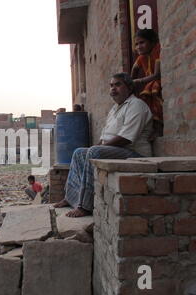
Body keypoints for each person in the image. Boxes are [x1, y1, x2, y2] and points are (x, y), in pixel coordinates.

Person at [54, 73, 153, 217]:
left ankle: (85, 206)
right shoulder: (114, 109)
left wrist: (98, 149)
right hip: (116, 150)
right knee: (79, 152)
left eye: (118, 85)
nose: (113, 89)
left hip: (134, 153)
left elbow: (126, 138)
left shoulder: (136, 105)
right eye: (111, 85)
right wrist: (95, 148)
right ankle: (71, 198)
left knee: (93, 152)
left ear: (129, 87)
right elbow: (103, 138)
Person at [131, 28, 163, 139]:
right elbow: (134, 70)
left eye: (142, 42)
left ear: (152, 42)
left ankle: (158, 129)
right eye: (136, 44)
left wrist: (138, 81)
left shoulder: (157, 50)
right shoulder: (141, 57)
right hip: (149, 84)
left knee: (152, 87)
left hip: (158, 82)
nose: (139, 46)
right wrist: (130, 84)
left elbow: (157, 75)